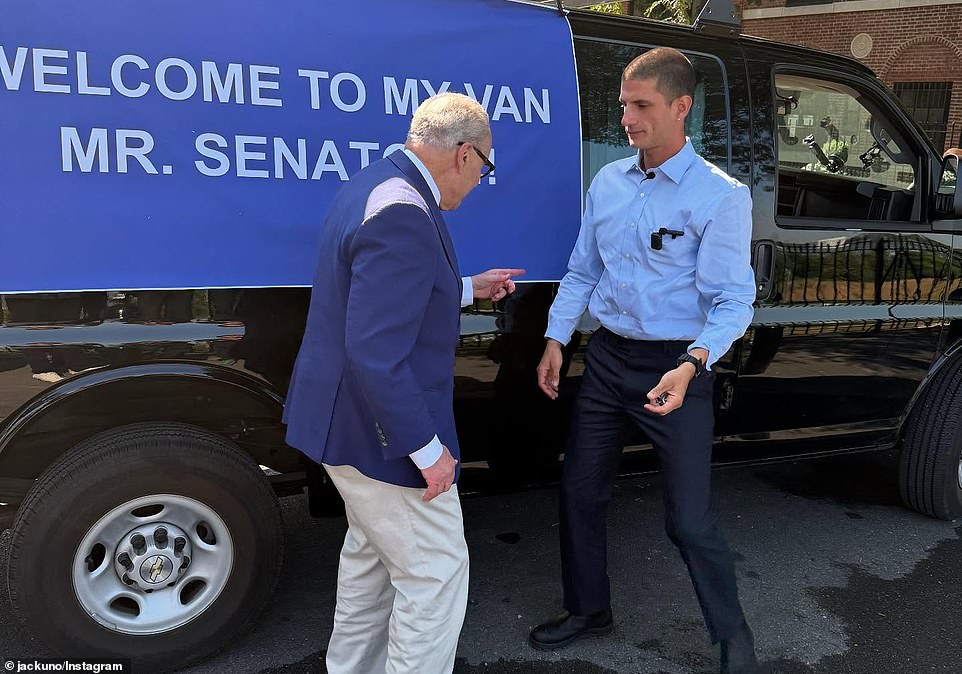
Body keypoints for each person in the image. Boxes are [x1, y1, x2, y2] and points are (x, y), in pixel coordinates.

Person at [529, 48, 767, 674]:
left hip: (676, 365)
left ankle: (732, 637)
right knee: (579, 492)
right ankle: (589, 609)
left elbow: (734, 301)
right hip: (609, 360)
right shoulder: (608, 182)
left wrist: (692, 365)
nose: (627, 118)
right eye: (624, 105)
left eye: (642, 106)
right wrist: (558, 339)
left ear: (681, 107)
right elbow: (584, 269)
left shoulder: (719, 197)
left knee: (688, 521)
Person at [283, 92, 523, 674]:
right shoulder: (405, 212)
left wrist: (465, 288)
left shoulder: (376, 184)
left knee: (370, 562)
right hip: (382, 439)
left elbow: (370, 299)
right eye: (486, 166)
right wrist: (428, 451)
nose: (480, 179)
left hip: (343, 429)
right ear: (465, 153)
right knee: (435, 575)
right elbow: (375, 350)